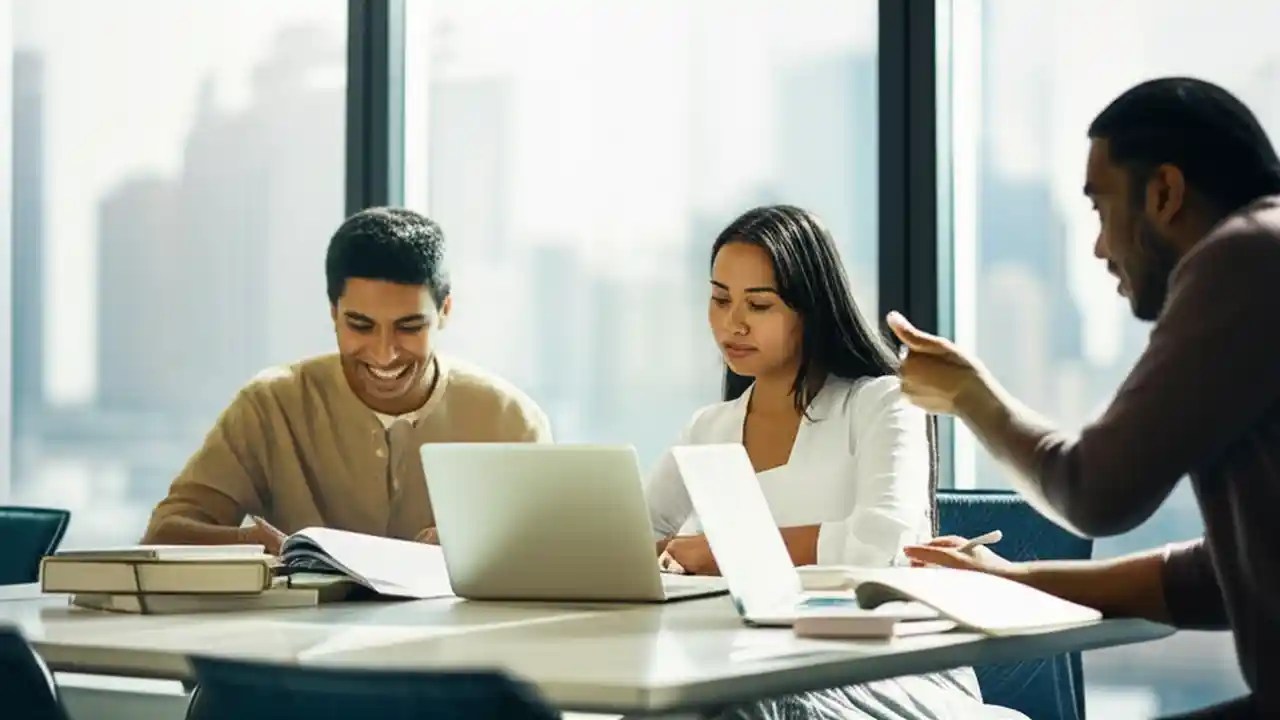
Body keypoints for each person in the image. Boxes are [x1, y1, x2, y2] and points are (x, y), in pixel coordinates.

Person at [889, 77, 1280, 719]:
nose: (1099, 247)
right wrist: (1010, 581)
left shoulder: (1244, 258)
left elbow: (1095, 491)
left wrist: (971, 397)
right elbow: (1218, 575)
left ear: (1164, 193)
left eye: (1101, 208)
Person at [645, 205, 1024, 719]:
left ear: (811, 310)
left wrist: (717, 552)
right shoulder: (708, 429)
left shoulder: (883, 403)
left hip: (887, 666)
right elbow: (634, 543)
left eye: (759, 304)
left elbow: (877, 545)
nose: (733, 323)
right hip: (750, 660)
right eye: (720, 299)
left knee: (739, 704)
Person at [143, 207, 551, 553]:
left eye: (409, 327)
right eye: (360, 325)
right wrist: (252, 544)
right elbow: (164, 533)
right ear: (333, 313)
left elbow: (547, 552)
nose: (384, 353)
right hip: (297, 626)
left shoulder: (512, 422)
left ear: (445, 311)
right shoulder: (269, 407)